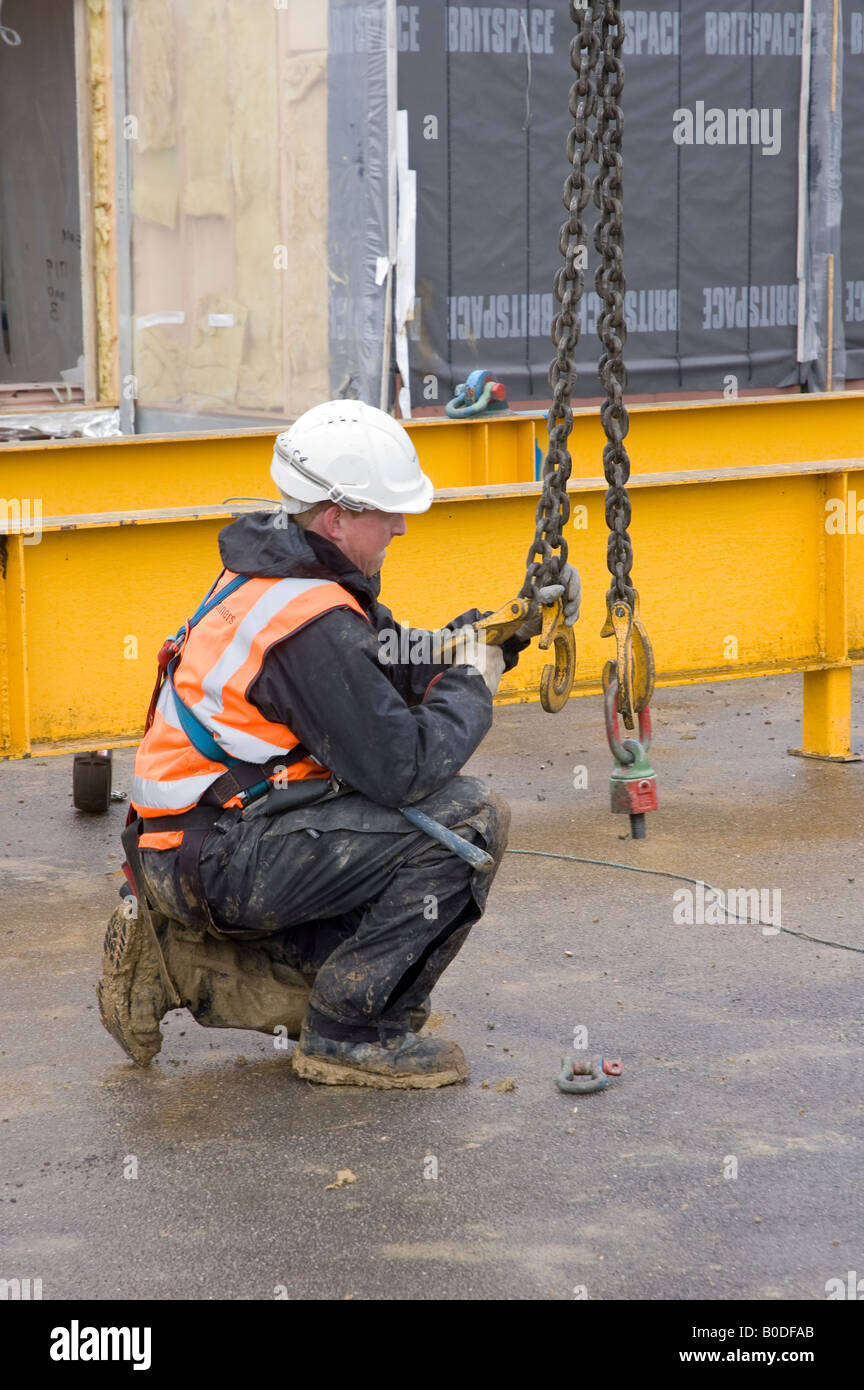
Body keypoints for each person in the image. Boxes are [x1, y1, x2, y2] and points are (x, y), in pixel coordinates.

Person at [98, 400, 580, 1088]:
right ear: (337, 517)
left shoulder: (281, 575)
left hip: (190, 844)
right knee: (464, 821)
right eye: (387, 513)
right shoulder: (307, 621)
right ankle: (350, 1033)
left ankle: (190, 962)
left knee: (395, 826)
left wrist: (497, 633)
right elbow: (405, 768)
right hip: (219, 858)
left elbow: (386, 656)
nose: (401, 526)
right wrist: (474, 682)